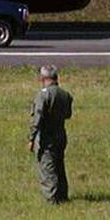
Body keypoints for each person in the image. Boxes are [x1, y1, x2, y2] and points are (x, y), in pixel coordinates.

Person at [28, 65, 74, 204]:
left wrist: (31, 138)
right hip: (60, 135)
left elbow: (37, 118)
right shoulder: (65, 94)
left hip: (46, 137)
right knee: (59, 165)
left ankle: (51, 198)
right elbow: (68, 115)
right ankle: (62, 195)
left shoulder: (43, 95)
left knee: (47, 167)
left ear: (44, 79)